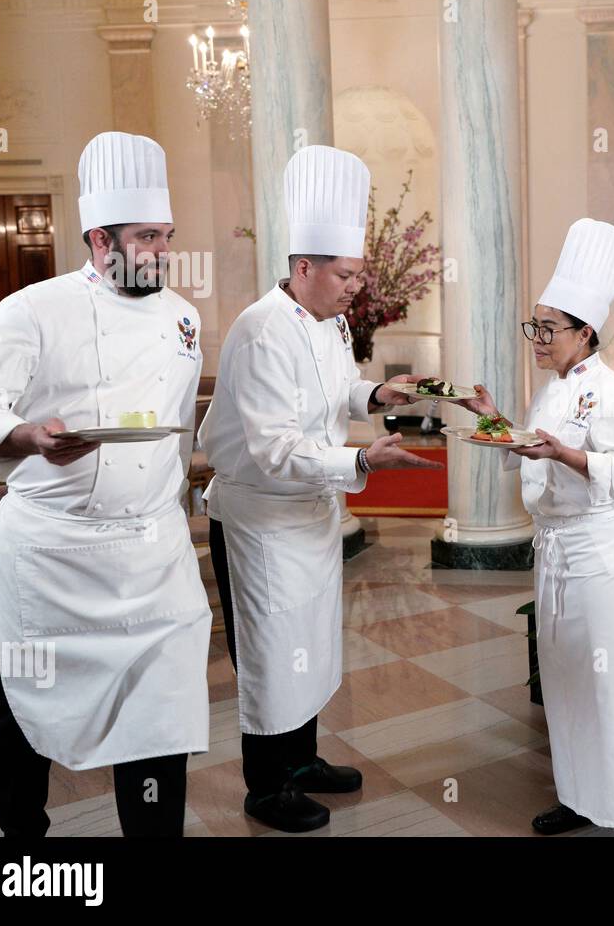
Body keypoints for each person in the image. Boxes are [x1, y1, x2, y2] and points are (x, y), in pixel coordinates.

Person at [0, 131, 211, 837]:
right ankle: (24, 839)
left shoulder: (183, 317)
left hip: (152, 552)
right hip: (55, 552)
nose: (162, 251)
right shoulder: (33, 309)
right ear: (100, 240)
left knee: (160, 709)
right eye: (147, 237)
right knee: (27, 697)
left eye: (167, 236)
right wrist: (28, 438)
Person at [199, 145, 442, 833]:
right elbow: (275, 448)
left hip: (308, 513)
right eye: (345, 275)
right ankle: (266, 786)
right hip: (260, 520)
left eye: (358, 275)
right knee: (272, 653)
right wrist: (363, 460)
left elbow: (332, 391)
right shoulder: (260, 331)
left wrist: (375, 394)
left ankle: (301, 762)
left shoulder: (329, 321)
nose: (354, 288)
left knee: (307, 643)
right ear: (303, 268)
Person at [457, 218, 614, 837]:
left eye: (549, 329)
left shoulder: (613, 393)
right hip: (554, 554)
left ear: (585, 333)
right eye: (535, 326)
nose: (538, 339)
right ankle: (579, 796)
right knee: (567, 679)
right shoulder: (551, 390)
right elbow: (533, 447)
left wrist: (566, 455)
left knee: (613, 683)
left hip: (599, 553)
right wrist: (494, 419)